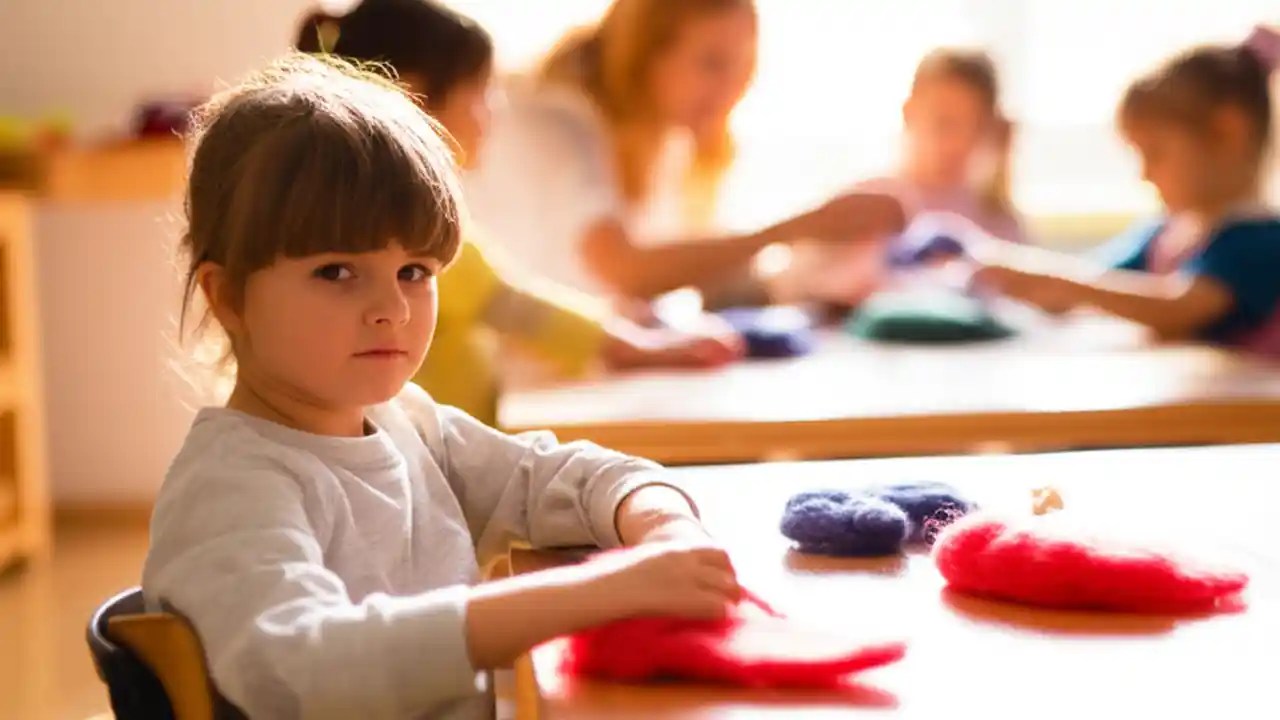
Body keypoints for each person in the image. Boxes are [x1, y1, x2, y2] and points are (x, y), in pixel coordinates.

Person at [142, 54, 740, 719]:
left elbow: (550, 476)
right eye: (338, 272)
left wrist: (664, 525)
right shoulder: (234, 487)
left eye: (416, 272)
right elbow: (306, 666)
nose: (392, 310)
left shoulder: (404, 420)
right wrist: (599, 590)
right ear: (228, 298)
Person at [296, 0, 743, 426]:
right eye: (480, 93)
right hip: (436, 465)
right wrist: (647, 350)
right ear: (414, 97)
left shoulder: (346, 220)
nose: (493, 113)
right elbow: (519, 307)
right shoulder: (404, 232)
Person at [463, 0, 908, 305]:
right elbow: (626, 270)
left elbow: (676, 274)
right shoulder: (550, 122)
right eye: (712, 63)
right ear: (646, 54)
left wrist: (819, 264)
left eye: (743, 65)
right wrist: (796, 228)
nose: (732, 89)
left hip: (592, 386)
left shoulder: (663, 141)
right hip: (526, 403)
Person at [966, 26, 1280, 353]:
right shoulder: (1166, 236)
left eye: (1155, 153)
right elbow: (1099, 276)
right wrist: (1020, 276)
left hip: (1244, 405)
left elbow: (1177, 308)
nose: (1144, 174)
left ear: (1229, 133)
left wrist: (1061, 284)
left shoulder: (1259, 241)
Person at [780, 47, 1025, 306]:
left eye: (974, 127)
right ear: (909, 113)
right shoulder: (862, 205)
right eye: (943, 123)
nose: (957, 143)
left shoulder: (999, 221)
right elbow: (790, 285)